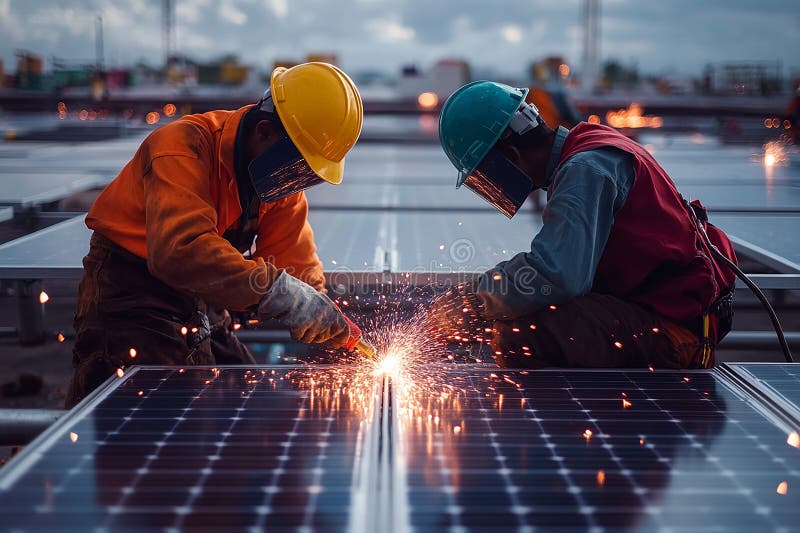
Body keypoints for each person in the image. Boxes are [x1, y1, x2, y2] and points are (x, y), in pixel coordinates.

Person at [67, 62, 363, 407]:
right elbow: (181, 251)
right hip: (130, 292)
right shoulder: (182, 146)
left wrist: (322, 312)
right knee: (163, 411)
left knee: (246, 396)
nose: (297, 182)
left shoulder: (279, 183)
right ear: (264, 132)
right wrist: (277, 291)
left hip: (202, 297)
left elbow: (294, 267)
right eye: (298, 167)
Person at [430, 81, 736, 370]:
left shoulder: (584, 170)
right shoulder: (586, 146)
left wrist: (473, 300)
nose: (491, 187)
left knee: (521, 333)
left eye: (487, 177)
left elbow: (556, 274)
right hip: (652, 311)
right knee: (512, 310)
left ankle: (569, 410)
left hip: (673, 332)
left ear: (510, 156)